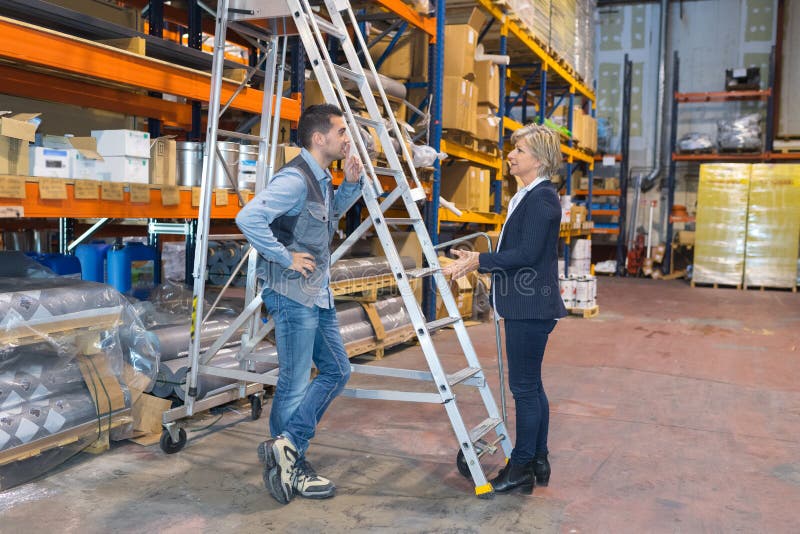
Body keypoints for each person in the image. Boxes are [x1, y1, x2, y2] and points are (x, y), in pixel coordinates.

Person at [236, 104, 364, 504]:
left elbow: (326, 219)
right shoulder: (295, 179)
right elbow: (248, 218)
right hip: (292, 294)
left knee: (337, 370)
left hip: (315, 292)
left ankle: (287, 445)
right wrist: (284, 256)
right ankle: (291, 462)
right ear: (318, 138)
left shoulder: (323, 179)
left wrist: (351, 185)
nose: (347, 138)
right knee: (293, 382)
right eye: (341, 131)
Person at [442, 123, 566, 494]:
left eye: (520, 151)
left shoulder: (542, 199)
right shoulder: (526, 196)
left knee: (524, 388)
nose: (510, 155)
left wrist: (479, 259)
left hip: (530, 307)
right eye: (513, 149)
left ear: (540, 160)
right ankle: (539, 459)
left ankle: (522, 466)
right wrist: (481, 258)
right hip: (529, 304)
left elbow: (527, 254)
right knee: (532, 385)